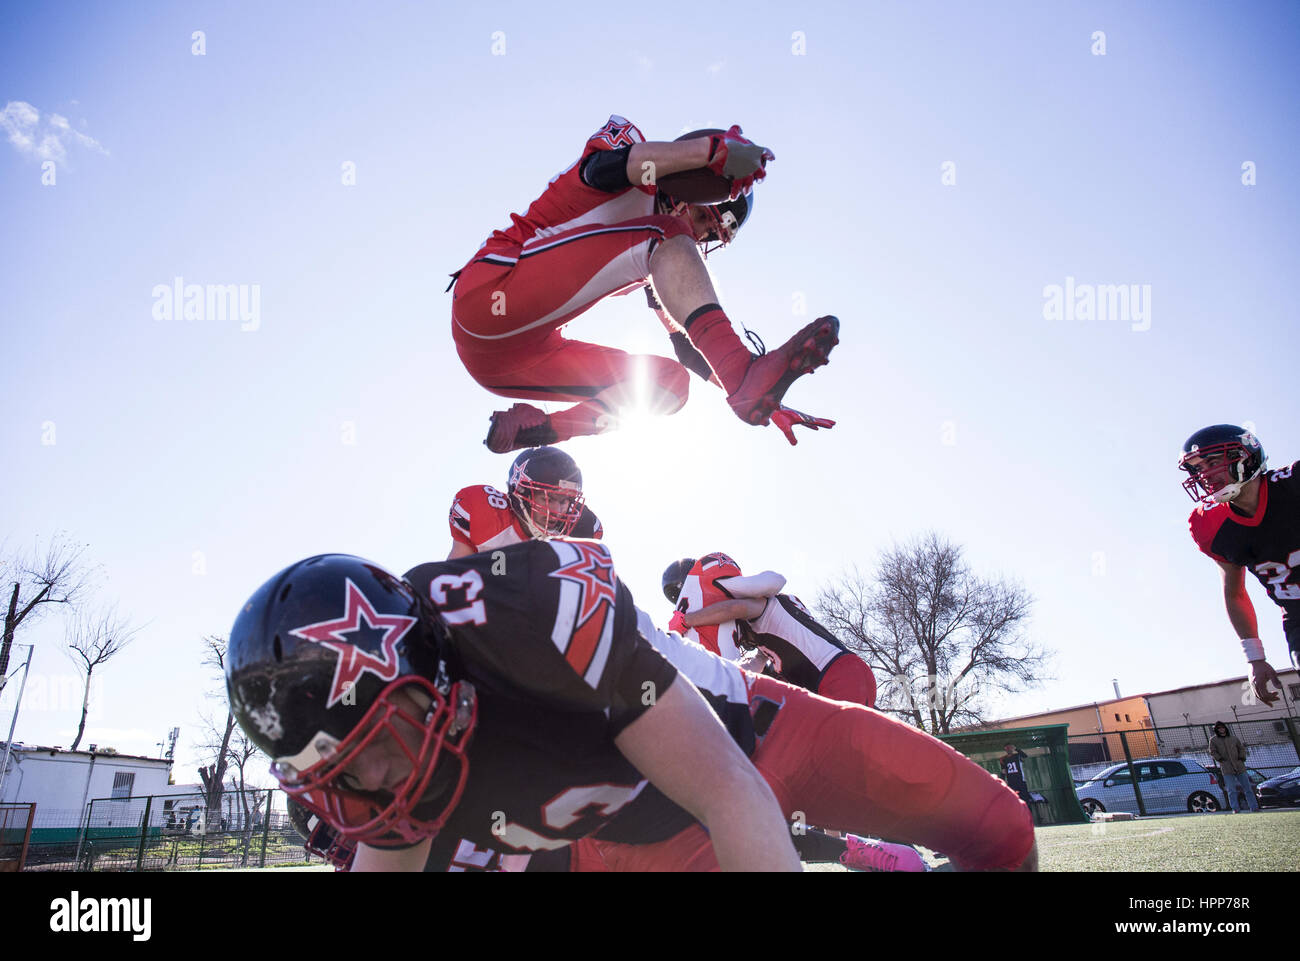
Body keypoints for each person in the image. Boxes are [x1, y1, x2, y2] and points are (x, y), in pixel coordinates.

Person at [226, 546, 800, 871]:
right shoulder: (403, 796)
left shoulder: (535, 615)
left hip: (752, 716)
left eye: (378, 740)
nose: (373, 779)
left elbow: (726, 788)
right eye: (342, 771)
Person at [448, 115, 840, 453]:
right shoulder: (637, 171)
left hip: (507, 366)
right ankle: (742, 373)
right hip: (490, 296)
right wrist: (707, 153)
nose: (699, 236)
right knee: (662, 233)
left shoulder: (652, 252)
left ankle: (540, 431)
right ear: (692, 185)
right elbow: (608, 168)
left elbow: (689, 347)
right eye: (704, 219)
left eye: (709, 236)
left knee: (669, 386)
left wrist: (760, 396)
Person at [1179, 425, 1300, 704]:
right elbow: (1234, 593)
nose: (1204, 475)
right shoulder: (1209, 523)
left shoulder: (1294, 485)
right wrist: (1255, 657)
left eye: (1212, 462)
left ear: (1245, 457)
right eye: (1197, 468)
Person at [663, 554, 876, 706]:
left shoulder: (763, 608)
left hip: (836, 675)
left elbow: (736, 607)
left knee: (828, 758)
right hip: (843, 674)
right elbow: (754, 664)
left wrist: (687, 620)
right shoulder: (772, 629)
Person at [447, 446, 601, 559]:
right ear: (520, 493)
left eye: (564, 501)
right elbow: (453, 577)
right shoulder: (485, 514)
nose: (557, 510)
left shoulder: (582, 530)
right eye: (548, 499)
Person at [1208, 722, 1259, 813]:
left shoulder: (1233, 738)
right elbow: (1212, 752)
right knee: (1231, 790)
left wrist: (1241, 757)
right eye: (1219, 728)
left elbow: (1241, 748)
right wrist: (1220, 759)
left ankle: (1254, 807)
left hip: (1240, 767)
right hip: (1227, 768)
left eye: (1222, 728)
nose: (1221, 729)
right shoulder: (1213, 740)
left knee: (1247, 788)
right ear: (1216, 730)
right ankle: (1235, 808)